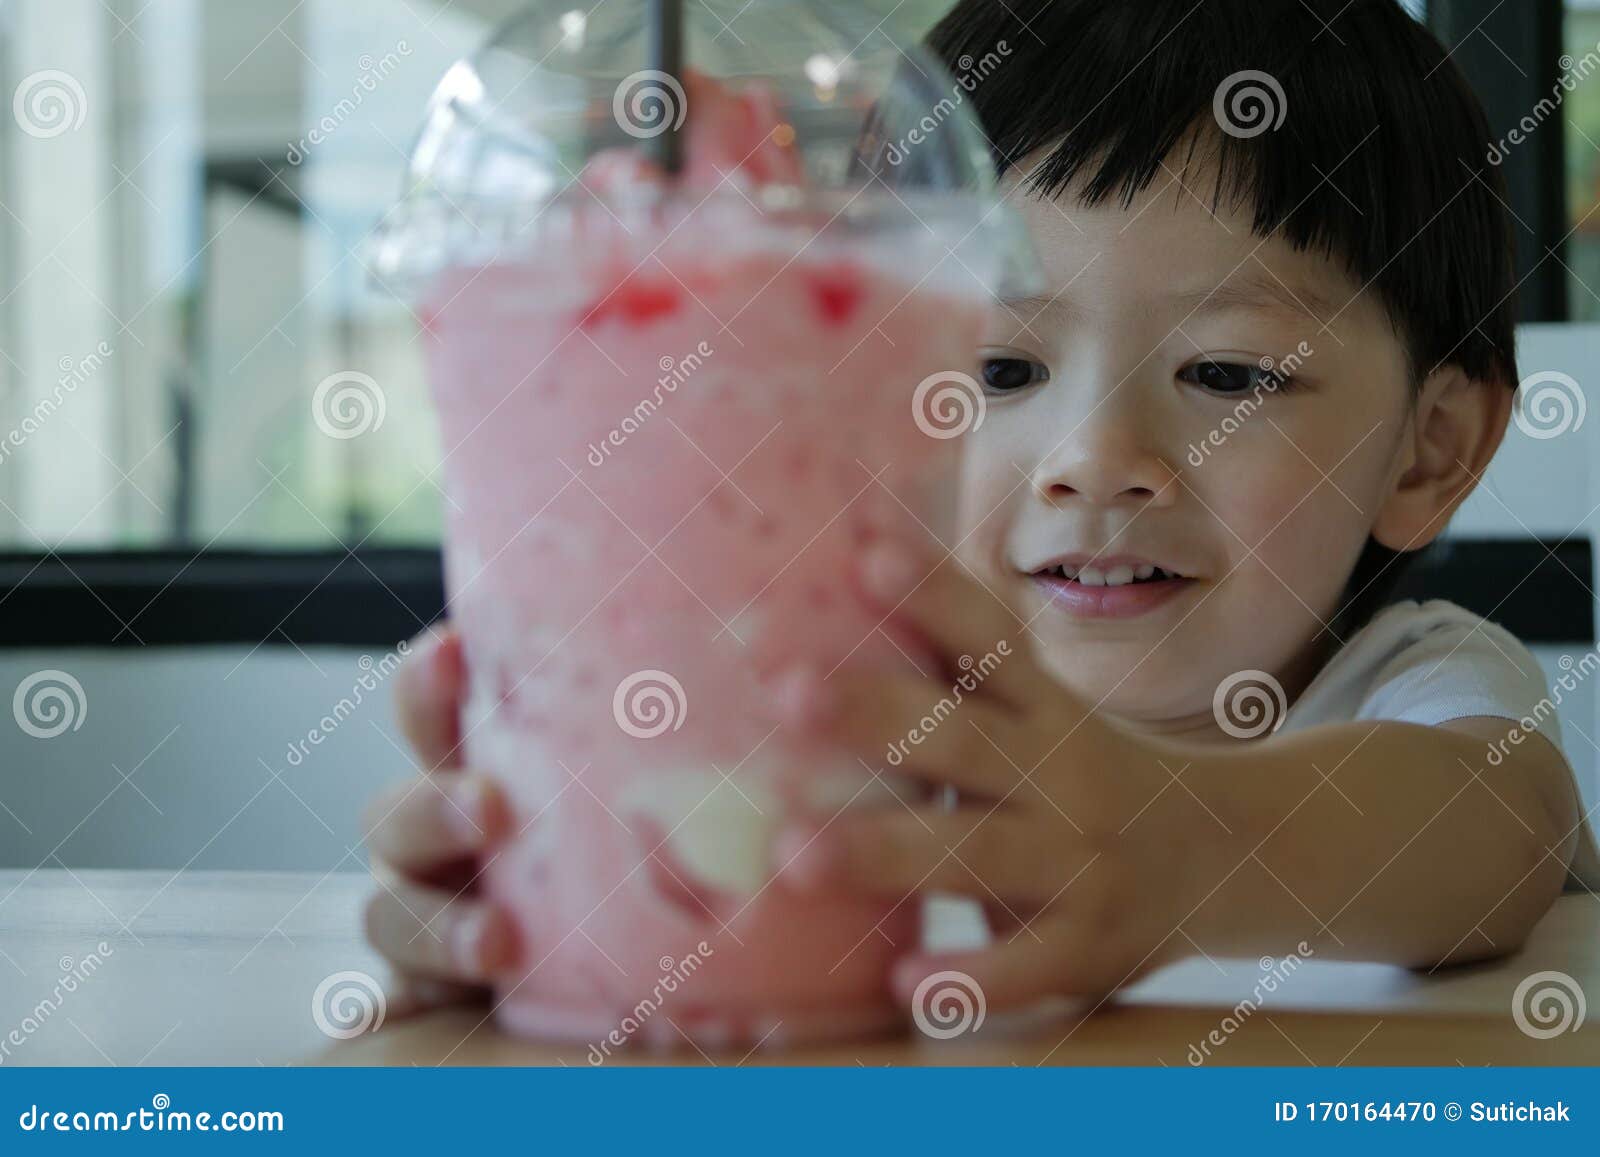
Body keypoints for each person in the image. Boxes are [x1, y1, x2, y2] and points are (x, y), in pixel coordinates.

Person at [363, 0, 1600, 1018]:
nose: (1096, 460)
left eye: (1228, 376)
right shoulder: (853, 710)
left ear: (1428, 451)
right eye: (998, 371)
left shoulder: (1413, 687)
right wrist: (558, 915)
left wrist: (1176, 852)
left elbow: (1494, 828)